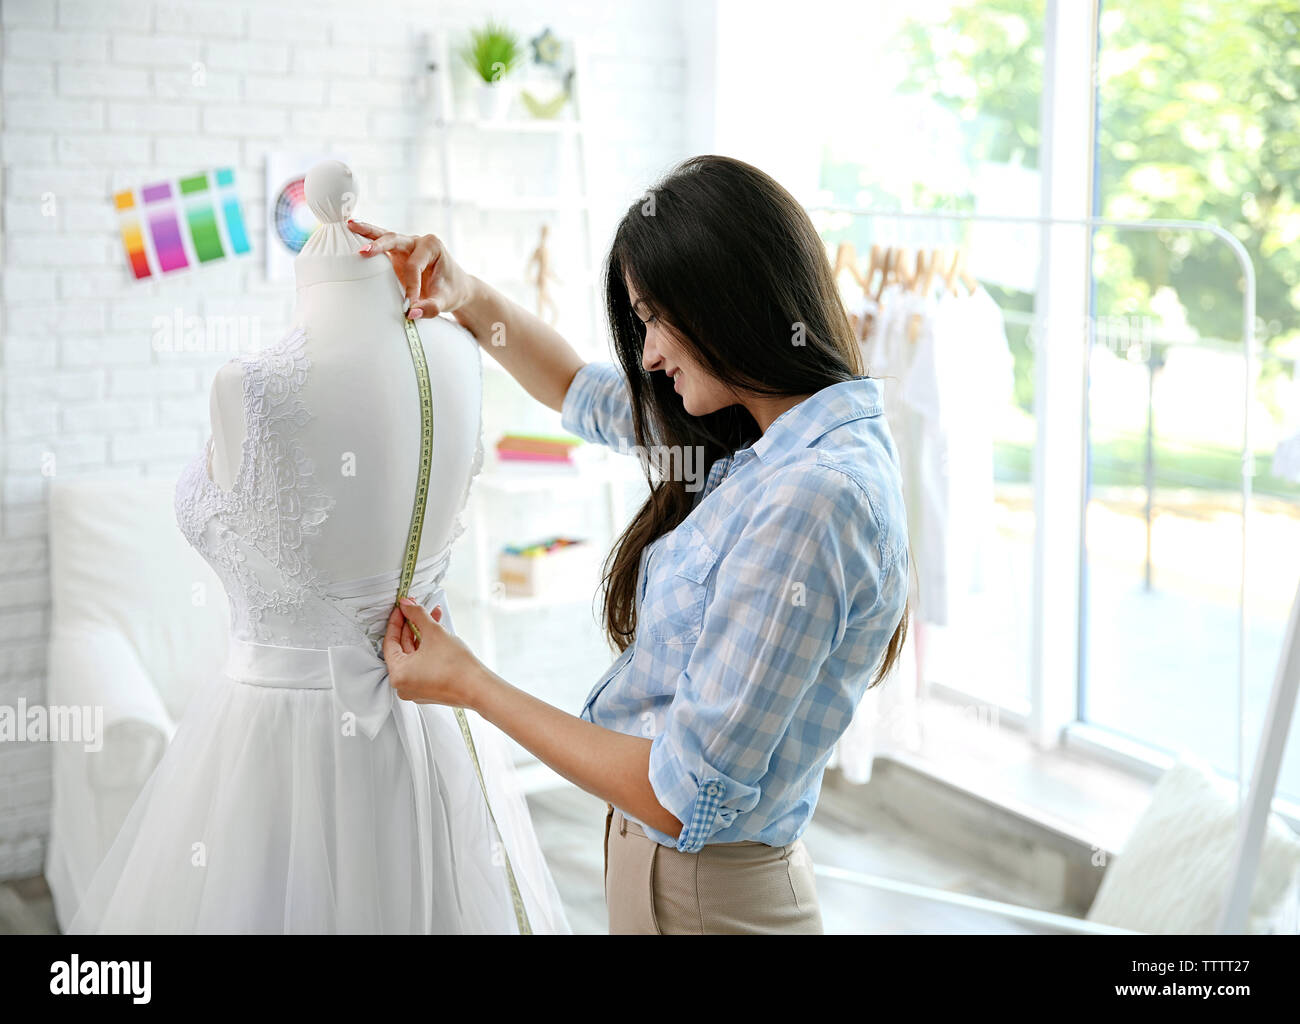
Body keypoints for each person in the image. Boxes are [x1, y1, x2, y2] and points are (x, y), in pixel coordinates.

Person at [352, 154, 911, 934]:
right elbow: (576, 390)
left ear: (726, 300)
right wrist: (466, 295)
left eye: (653, 318)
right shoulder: (754, 440)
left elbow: (680, 794)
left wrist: (469, 682)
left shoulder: (811, 497)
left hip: (711, 900)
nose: (647, 353)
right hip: (667, 881)